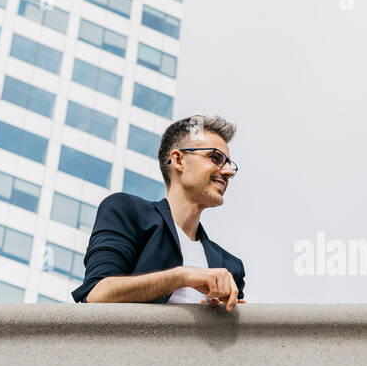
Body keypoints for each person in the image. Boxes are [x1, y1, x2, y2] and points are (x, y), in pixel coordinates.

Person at [71, 115, 246, 310]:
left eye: (230, 163)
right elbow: (97, 294)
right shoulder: (127, 211)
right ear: (178, 160)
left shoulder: (231, 266)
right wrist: (183, 277)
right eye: (216, 158)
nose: (229, 171)